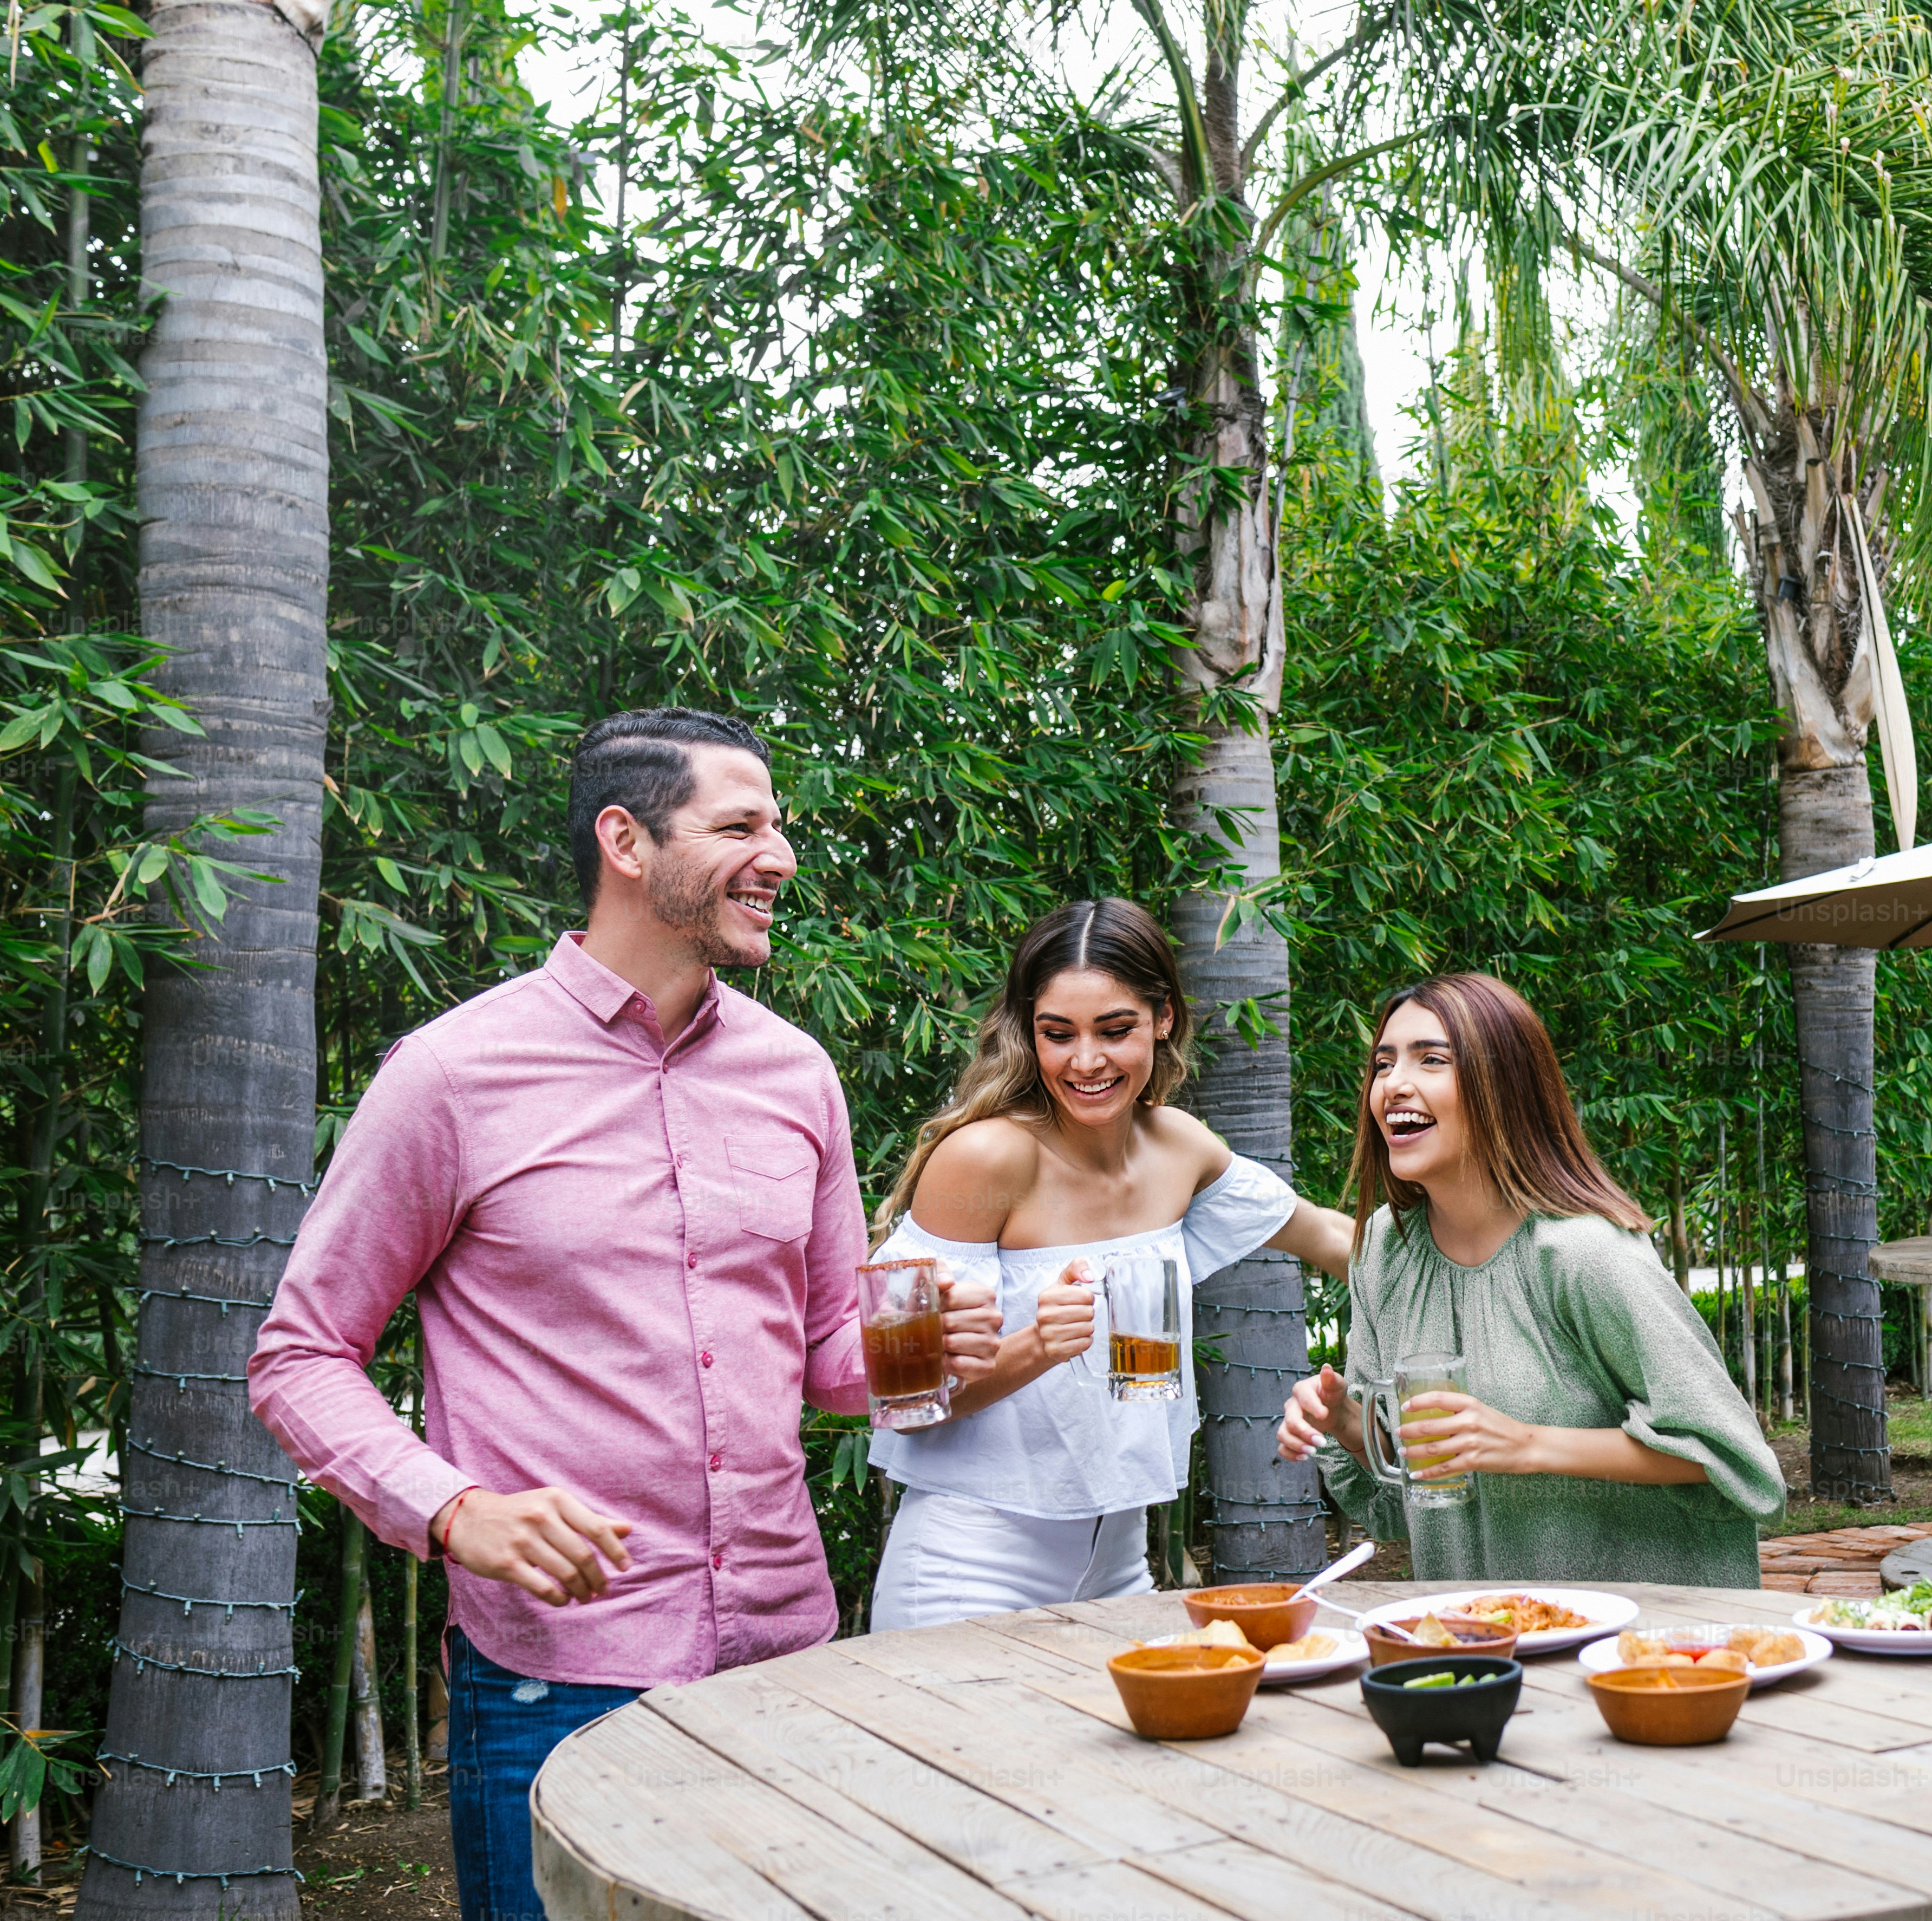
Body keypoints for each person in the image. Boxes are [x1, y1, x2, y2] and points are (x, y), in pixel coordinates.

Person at [249, 708, 1001, 1921]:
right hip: (558, 1684)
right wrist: (453, 1510)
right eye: (742, 825)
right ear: (627, 841)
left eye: (781, 825)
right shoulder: (451, 1075)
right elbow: (299, 1356)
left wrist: (952, 1353)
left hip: (785, 1659)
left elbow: (829, 1365)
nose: (783, 855)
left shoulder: (795, 1074)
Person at [867, 897, 1354, 1625]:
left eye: (1116, 1029)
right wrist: (1034, 1346)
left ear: (1163, 1017)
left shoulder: (1179, 1147)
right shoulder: (984, 1155)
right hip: (968, 1563)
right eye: (1057, 1033)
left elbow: (1332, 1239)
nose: (1086, 1060)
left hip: (1122, 1561)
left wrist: (1507, 1251)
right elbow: (899, 1399)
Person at [1276, 972, 1780, 1586]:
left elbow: (1734, 1460)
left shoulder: (1583, 1253)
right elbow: (1397, 1506)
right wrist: (1351, 1427)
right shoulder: (1387, 1247)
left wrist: (1528, 1445)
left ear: (1504, 1085)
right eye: (1382, 1065)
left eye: (1431, 1059)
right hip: (1484, 1635)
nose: (1393, 1085)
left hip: (1649, 1647)